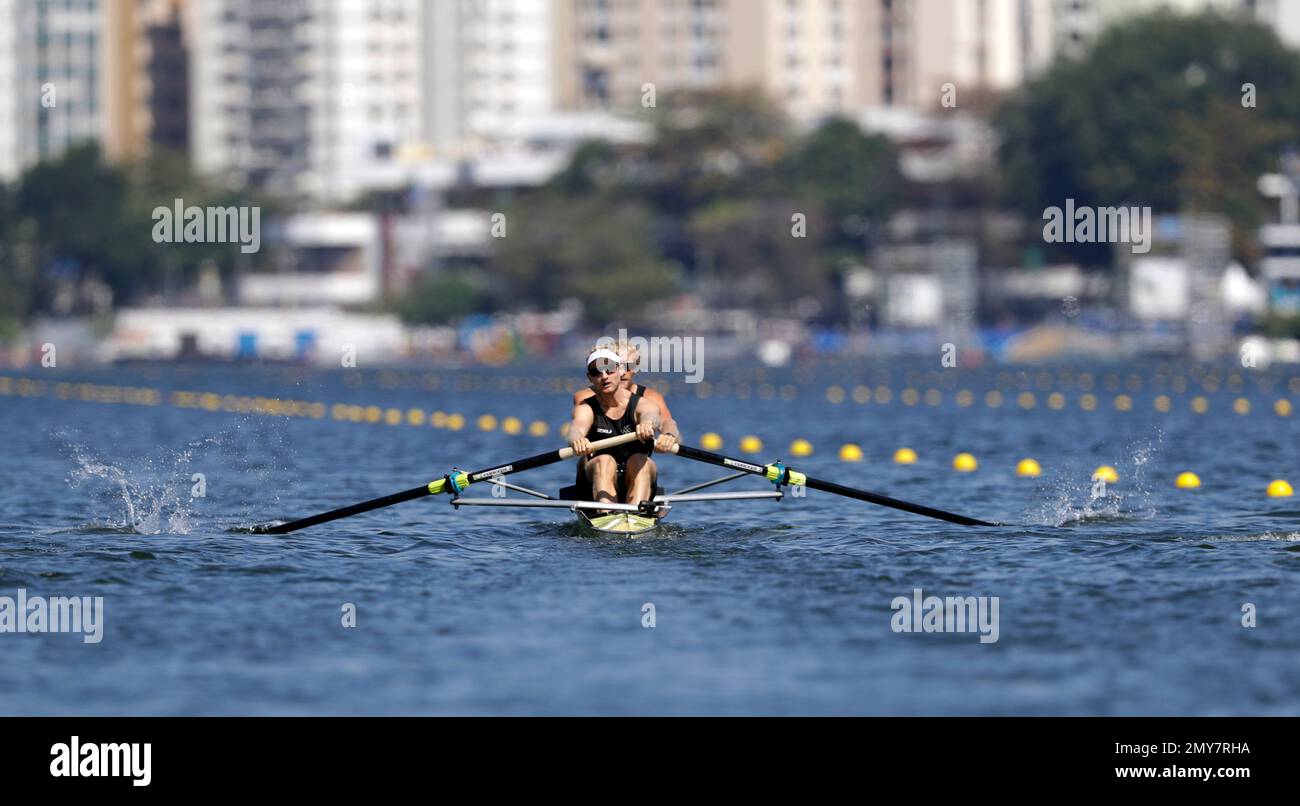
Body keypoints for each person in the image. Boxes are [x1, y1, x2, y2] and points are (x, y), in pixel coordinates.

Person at [568, 348, 664, 508]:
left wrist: (648, 424)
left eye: (609, 369)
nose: (604, 376)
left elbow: (651, 415)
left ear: (620, 370)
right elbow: (575, 429)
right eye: (596, 372)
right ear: (590, 377)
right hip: (596, 476)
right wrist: (577, 440)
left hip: (637, 473)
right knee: (604, 461)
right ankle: (606, 514)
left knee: (640, 460)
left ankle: (635, 515)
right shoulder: (586, 408)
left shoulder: (642, 404)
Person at [572, 340, 680, 454]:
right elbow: (578, 427)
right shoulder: (585, 397)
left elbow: (667, 422)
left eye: (627, 366)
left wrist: (668, 436)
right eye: (610, 367)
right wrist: (576, 439)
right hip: (597, 458)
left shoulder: (650, 397)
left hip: (634, 459)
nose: (623, 373)